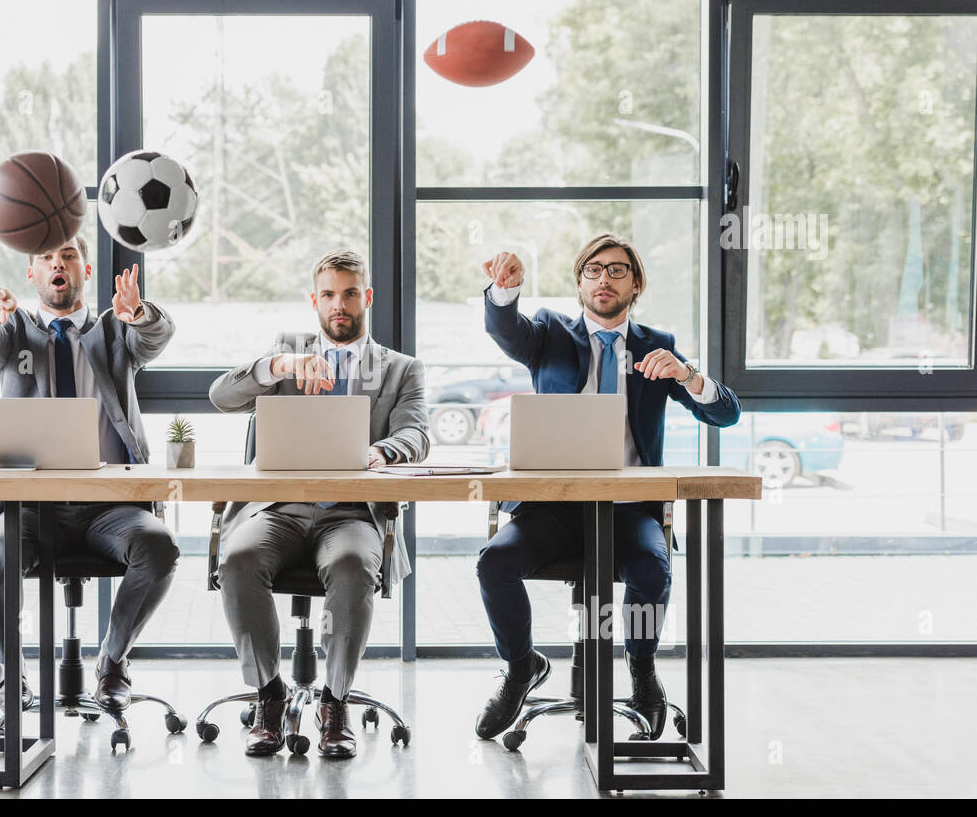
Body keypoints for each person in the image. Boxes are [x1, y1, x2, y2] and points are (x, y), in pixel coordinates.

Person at [474, 233, 741, 740]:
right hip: (552, 510)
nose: (604, 278)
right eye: (593, 270)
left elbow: (726, 414)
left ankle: (642, 673)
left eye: (617, 270)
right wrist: (503, 292)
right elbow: (506, 331)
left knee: (652, 569)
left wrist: (688, 376)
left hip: (629, 511)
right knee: (494, 562)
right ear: (579, 282)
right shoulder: (550, 334)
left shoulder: (655, 347)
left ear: (635, 284)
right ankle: (519, 669)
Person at [209, 249, 430, 758]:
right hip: (279, 510)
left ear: (366, 298)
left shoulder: (399, 369)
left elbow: (417, 432)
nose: (340, 305)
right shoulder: (287, 354)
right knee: (239, 559)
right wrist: (278, 365)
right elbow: (221, 395)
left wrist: (382, 450)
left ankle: (335, 702)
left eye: (350, 293)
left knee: (352, 566)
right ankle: (268, 695)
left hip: (352, 512)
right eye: (329, 294)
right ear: (315, 300)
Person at [0, 235, 179, 716]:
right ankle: (8, 669)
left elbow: (155, 337)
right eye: (46, 258)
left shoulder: (114, 330)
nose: (58, 264)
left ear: (85, 269)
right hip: (33, 509)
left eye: (69, 256)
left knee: (158, 546)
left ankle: (113, 661)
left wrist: (139, 313)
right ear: (31, 274)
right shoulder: (13, 333)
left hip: (112, 507)